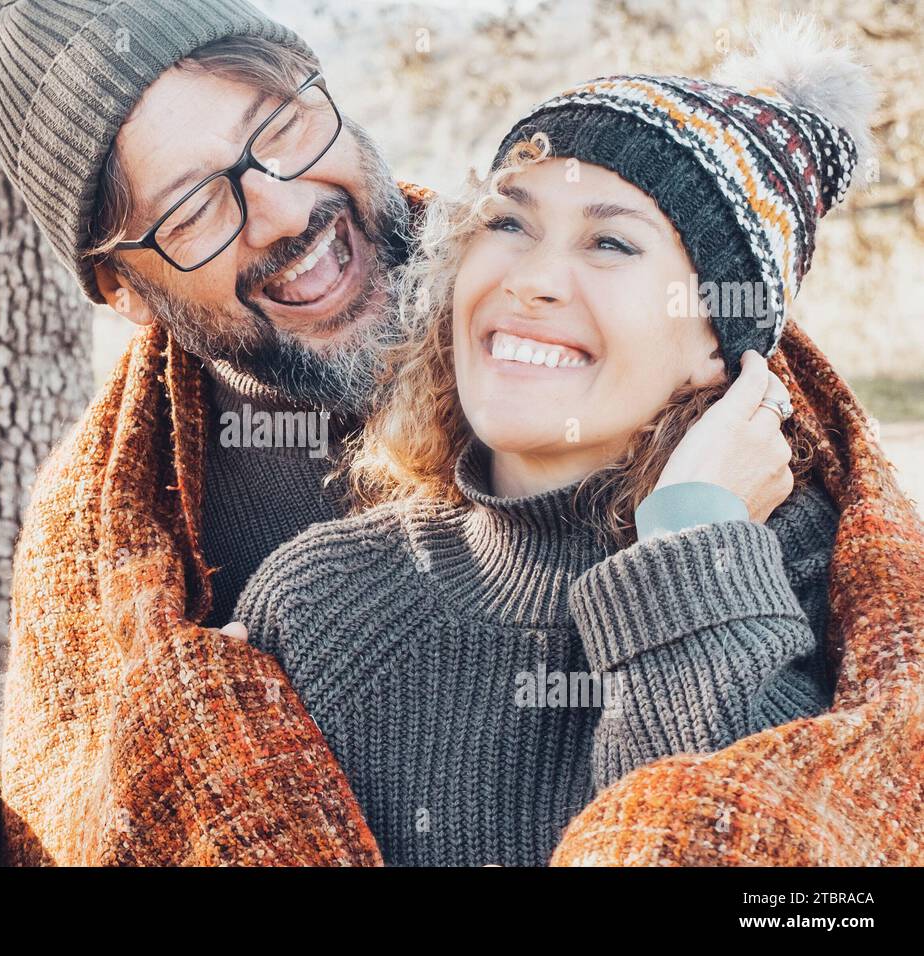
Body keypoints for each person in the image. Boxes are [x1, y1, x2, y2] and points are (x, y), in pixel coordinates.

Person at [0, 3, 924, 866]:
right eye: (193, 205)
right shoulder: (261, 588)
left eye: (283, 127)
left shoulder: (805, 554)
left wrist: (693, 543)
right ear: (126, 291)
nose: (286, 211)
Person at [235, 57, 873, 861]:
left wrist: (687, 546)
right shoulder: (321, 601)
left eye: (610, 242)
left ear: (718, 344)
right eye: (508, 224)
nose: (533, 279)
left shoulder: (828, 596)